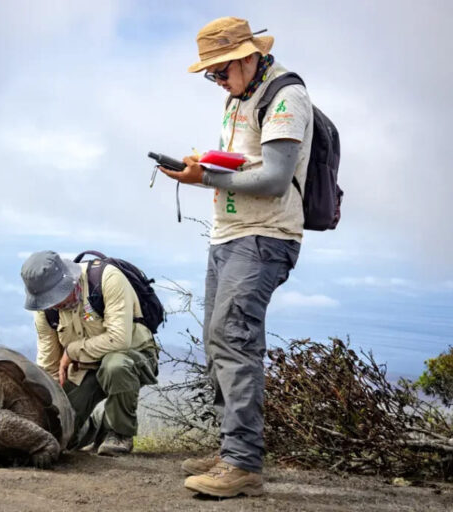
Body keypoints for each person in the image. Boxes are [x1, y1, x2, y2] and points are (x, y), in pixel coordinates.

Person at [159, 17, 312, 498]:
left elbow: (272, 179)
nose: (218, 81)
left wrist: (202, 180)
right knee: (216, 339)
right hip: (228, 235)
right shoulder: (238, 96)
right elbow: (242, 164)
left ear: (248, 56)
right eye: (212, 75)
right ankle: (231, 448)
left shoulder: (285, 97)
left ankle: (243, 464)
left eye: (221, 71)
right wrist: (202, 167)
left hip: (265, 236)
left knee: (234, 338)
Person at [20, 251, 158, 456]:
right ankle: (99, 426)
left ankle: (120, 434)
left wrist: (72, 351)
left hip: (131, 355)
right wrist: (45, 406)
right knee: (58, 432)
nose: (54, 303)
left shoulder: (107, 279)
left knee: (115, 366)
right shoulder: (45, 311)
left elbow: (119, 339)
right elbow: (49, 365)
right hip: (84, 367)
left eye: (56, 296)